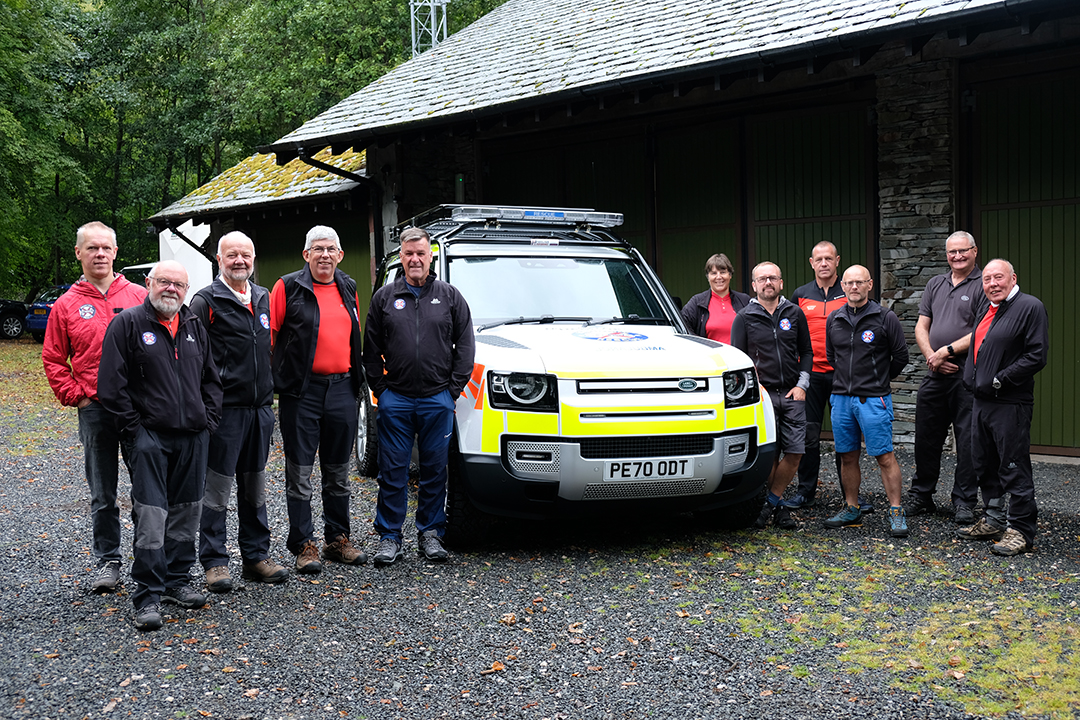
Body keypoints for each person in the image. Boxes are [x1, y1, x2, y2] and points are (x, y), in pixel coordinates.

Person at [98, 261, 223, 631]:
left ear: (187, 290)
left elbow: (212, 380)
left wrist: (208, 424)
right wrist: (135, 433)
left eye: (179, 284)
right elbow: (111, 386)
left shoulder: (195, 326)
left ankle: (176, 582)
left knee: (187, 513)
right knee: (152, 517)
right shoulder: (128, 324)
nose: (171, 288)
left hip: (193, 438)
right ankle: (147, 595)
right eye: (164, 281)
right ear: (149, 283)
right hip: (149, 438)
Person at [42, 221, 148, 593]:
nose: (99, 253)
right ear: (79, 253)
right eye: (92, 248)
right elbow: (54, 359)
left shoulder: (139, 295)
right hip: (95, 409)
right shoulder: (66, 305)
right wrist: (77, 395)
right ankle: (108, 561)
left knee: (146, 488)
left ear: (116, 252)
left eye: (105, 247)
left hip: (138, 410)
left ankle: (148, 557)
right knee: (103, 493)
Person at [363, 227, 475, 565]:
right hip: (395, 398)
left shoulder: (450, 297)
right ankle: (389, 536)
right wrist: (380, 388)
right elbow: (369, 349)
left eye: (421, 253)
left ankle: (430, 534)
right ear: (401, 256)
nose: (415, 259)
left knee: (434, 470)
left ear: (430, 256)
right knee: (393, 471)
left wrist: (451, 390)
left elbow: (466, 347)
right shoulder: (384, 298)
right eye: (409, 253)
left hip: (436, 399)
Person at [190, 232, 288, 592]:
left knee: (254, 486)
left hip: (261, 409)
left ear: (254, 258)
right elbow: (193, 356)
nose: (239, 261)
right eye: (232, 255)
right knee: (216, 488)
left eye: (245, 255)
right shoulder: (206, 301)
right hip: (224, 411)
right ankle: (214, 561)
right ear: (219, 259)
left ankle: (256, 556)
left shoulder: (261, 297)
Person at [270, 225, 366, 575]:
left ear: (340, 255)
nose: (324, 255)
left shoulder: (348, 286)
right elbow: (270, 338)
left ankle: (337, 538)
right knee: (300, 472)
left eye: (331, 249)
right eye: (317, 249)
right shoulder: (288, 287)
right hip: (301, 391)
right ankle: (303, 544)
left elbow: (353, 337)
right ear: (306, 254)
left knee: (338, 471)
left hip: (341, 388)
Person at [956, 259, 1048, 556]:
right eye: (987, 279)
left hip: (1009, 402)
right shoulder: (989, 308)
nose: (992, 284)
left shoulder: (1030, 307)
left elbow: (1036, 355)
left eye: (998, 278)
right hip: (981, 401)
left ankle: (1021, 530)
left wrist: (999, 380)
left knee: (1012, 465)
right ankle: (994, 520)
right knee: (983, 462)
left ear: (1013, 278)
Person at [822, 265, 910, 538]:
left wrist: (879, 381)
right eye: (849, 283)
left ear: (869, 285)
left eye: (859, 282)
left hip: (873, 400)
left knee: (884, 456)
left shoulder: (885, 317)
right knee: (847, 456)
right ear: (843, 286)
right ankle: (851, 507)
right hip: (841, 399)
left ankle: (896, 511)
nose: (854, 287)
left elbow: (901, 357)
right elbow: (831, 357)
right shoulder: (834, 318)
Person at [906, 231, 985, 524]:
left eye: (963, 251)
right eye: (952, 252)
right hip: (935, 373)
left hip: (967, 374)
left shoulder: (982, 285)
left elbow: (982, 331)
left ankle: (964, 501)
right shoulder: (935, 284)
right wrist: (933, 357)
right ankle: (922, 495)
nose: (957, 256)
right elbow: (921, 326)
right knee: (926, 437)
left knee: (967, 439)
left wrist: (947, 352)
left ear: (974, 251)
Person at [730, 262, 812, 530]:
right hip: (762, 396)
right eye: (762, 279)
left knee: (796, 451)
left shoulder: (795, 313)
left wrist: (802, 384)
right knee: (769, 454)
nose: (768, 283)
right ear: (753, 285)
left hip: (792, 393)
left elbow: (807, 352)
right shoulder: (743, 317)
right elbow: (737, 360)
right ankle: (779, 509)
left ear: (781, 283)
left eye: (773, 278)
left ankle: (770, 504)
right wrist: (756, 390)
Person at [788, 241, 854, 511]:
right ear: (811, 262)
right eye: (819, 259)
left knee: (845, 436)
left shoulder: (849, 289)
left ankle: (850, 496)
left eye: (829, 258)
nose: (824, 263)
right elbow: (789, 333)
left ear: (837, 260)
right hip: (811, 376)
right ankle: (805, 492)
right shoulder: (800, 294)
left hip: (842, 376)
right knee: (809, 436)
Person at [680, 253, 750, 344]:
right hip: (710, 357)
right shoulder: (697, 302)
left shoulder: (744, 300)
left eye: (723, 272)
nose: (718, 277)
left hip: (738, 357)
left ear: (730, 275)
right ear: (708, 277)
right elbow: (681, 326)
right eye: (713, 273)